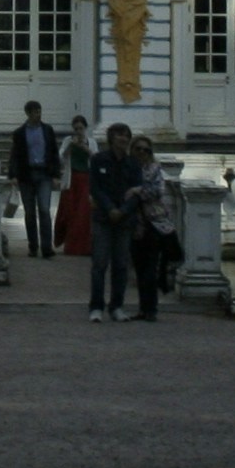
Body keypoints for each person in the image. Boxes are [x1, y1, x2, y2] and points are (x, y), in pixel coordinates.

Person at [87, 124, 144, 322]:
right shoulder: (98, 160)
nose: (124, 139)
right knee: (99, 265)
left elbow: (138, 191)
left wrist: (123, 211)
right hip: (103, 217)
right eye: (120, 135)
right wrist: (110, 208)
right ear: (111, 138)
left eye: (127, 136)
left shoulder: (133, 164)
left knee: (121, 265)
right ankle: (96, 307)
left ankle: (116, 306)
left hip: (124, 219)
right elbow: (95, 188)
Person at [129, 154, 185, 320]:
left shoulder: (155, 170)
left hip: (154, 223)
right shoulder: (128, 169)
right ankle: (142, 308)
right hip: (134, 225)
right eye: (137, 149)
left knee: (151, 268)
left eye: (144, 149)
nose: (141, 152)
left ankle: (151, 309)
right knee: (139, 268)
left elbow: (157, 192)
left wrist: (137, 191)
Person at [6, 102, 60, 259]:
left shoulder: (47, 130)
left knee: (44, 209)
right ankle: (33, 246)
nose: (38, 114)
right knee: (29, 213)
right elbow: (14, 155)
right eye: (35, 112)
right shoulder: (19, 133)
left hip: (44, 174)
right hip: (26, 176)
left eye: (39, 111)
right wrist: (13, 175)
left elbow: (54, 153)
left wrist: (56, 175)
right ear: (28, 113)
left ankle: (46, 247)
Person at [56, 117, 95, 259]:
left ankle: (84, 246)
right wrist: (70, 147)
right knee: (71, 213)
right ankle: (71, 246)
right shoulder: (68, 141)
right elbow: (61, 158)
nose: (78, 131)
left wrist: (85, 148)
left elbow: (96, 158)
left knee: (83, 214)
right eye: (76, 129)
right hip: (72, 180)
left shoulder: (91, 142)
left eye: (81, 128)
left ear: (85, 128)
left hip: (86, 179)